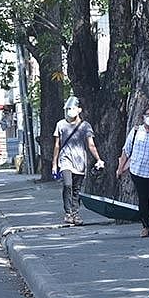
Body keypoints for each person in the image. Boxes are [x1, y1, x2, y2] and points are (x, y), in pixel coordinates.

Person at [116, 106, 149, 238]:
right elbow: (126, 150)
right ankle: (145, 226)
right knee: (143, 199)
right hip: (137, 171)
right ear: (143, 117)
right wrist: (120, 168)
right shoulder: (136, 131)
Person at [52, 96, 104, 225]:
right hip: (65, 160)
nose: (70, 111)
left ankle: (75, 214)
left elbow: (91, 145)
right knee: (67, 185)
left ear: (79, 110)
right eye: (68, 108)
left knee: (76, 189)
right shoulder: (61, 124)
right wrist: (54, 164)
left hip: (80, 162)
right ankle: (68, 213)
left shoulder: (85, 126)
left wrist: (98, 159)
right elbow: (57, 145)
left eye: (72, 108)